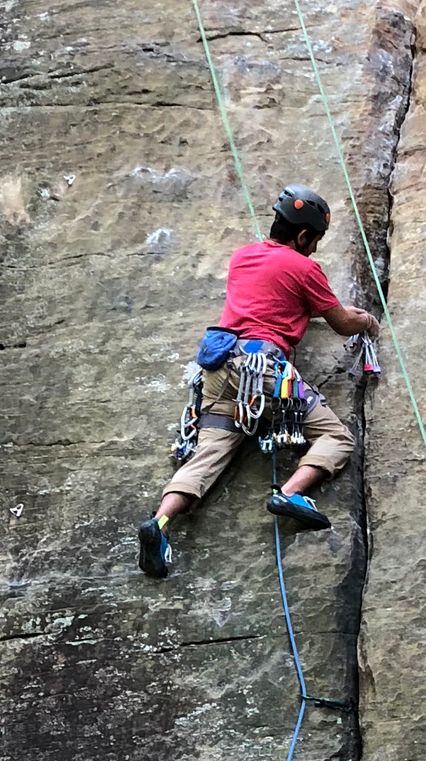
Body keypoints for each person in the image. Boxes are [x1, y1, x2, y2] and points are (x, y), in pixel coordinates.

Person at [138, 184, 380, 578]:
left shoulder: (243, 257)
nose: (315, 249)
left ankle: (160, 524)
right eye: (315, 240)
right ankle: (291, 494)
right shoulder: (304, 268)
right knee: (336, 437)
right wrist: (366, 321)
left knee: (209, 454)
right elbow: (341, 323)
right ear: (304, 235)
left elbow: (268, 303)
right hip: (263, 372)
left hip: (217, 370)